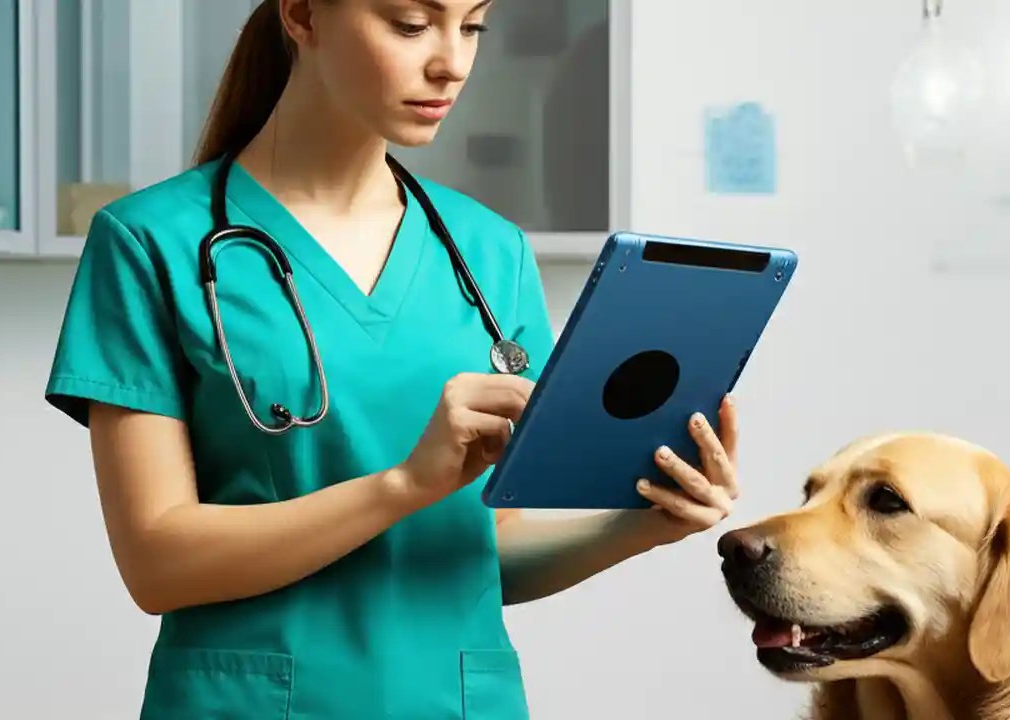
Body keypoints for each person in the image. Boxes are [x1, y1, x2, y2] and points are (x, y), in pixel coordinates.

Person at [43, 1, 743, 717]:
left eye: (472, 27)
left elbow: (483, 547)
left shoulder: (489, 252)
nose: (452, 63)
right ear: (303, 15)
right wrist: (404, 485)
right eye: (411, 24)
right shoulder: (149, 242)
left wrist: (643, 526)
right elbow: (157, 564)